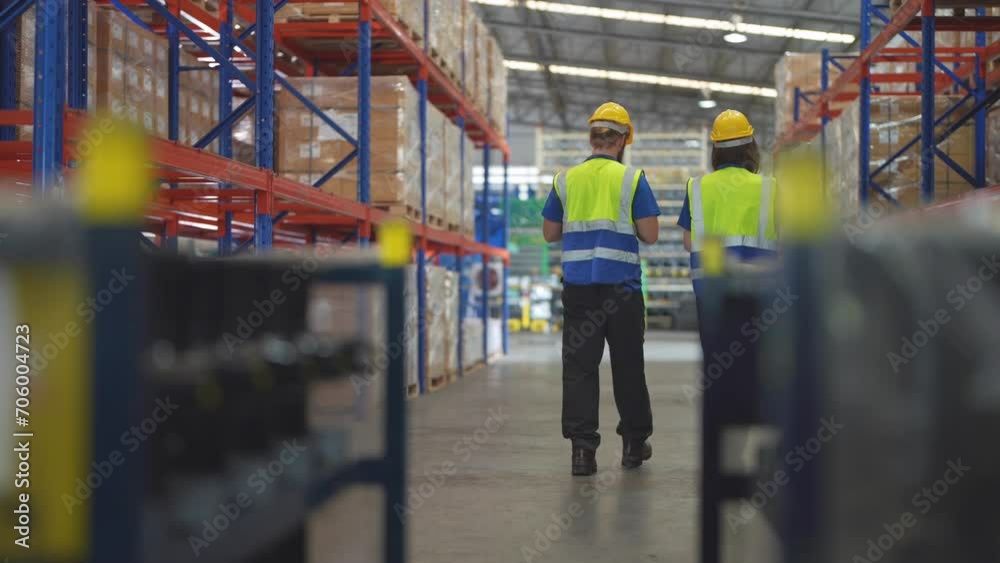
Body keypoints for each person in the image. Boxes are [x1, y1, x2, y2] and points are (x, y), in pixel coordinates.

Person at [541, 102, 661, 476]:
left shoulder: (566, 179)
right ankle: (633, 445)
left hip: (579, 288)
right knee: (628, 366)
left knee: (579, 368)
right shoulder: (632, 179)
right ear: (624, 139)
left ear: (591, 138)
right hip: (621, 288)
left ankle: (582, 452)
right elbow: (651, 235)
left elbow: (549, 234)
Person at [676, 109, 779, 362]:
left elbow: (689, 242)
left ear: (715, 150)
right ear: (751, 148)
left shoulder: (697, 187)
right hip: (758, 292)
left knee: (717, 363)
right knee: (757, 366)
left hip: (710, 289)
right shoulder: (769, 187)